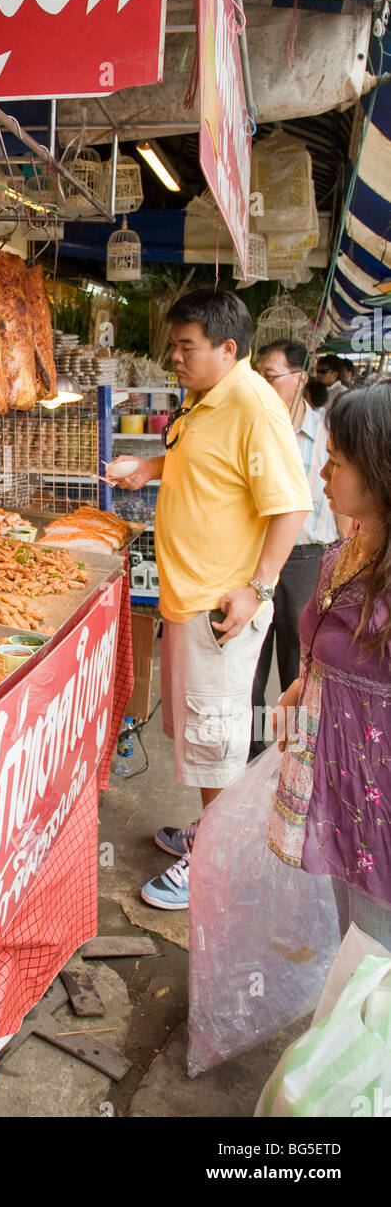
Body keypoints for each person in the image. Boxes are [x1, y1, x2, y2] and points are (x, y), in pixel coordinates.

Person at [108, 290, 312, 910]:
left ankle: (215, 863)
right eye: (173, 345)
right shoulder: (206, 400)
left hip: (221, 608)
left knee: (218, 742)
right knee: (199, 737)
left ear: (228, 349)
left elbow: (292, 506)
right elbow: (204, 467)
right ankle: (211, 831)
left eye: (186, 346)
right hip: (188, 600)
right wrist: (147, 471)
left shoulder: (254, 404)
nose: (175, 356)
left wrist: (257, 589)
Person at [269, 381, 391, 947]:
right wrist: (302, 683)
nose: (321, 476)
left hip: (381, 804)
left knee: (375, 960)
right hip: (341, 786)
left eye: (336, 463)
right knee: (355, 942)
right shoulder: (349, 548)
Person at [250, 342, 351, 759]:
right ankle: (251, 751)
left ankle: (290, 758)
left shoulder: (328, 434)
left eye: (271, 376)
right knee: (251, 664)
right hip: (256, 560)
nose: (262, 384)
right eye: (258, 375)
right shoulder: (253, 428)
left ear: (299, 378)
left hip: (308, 562)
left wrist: (345, 559)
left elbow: (342, 505)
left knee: (299, 666)